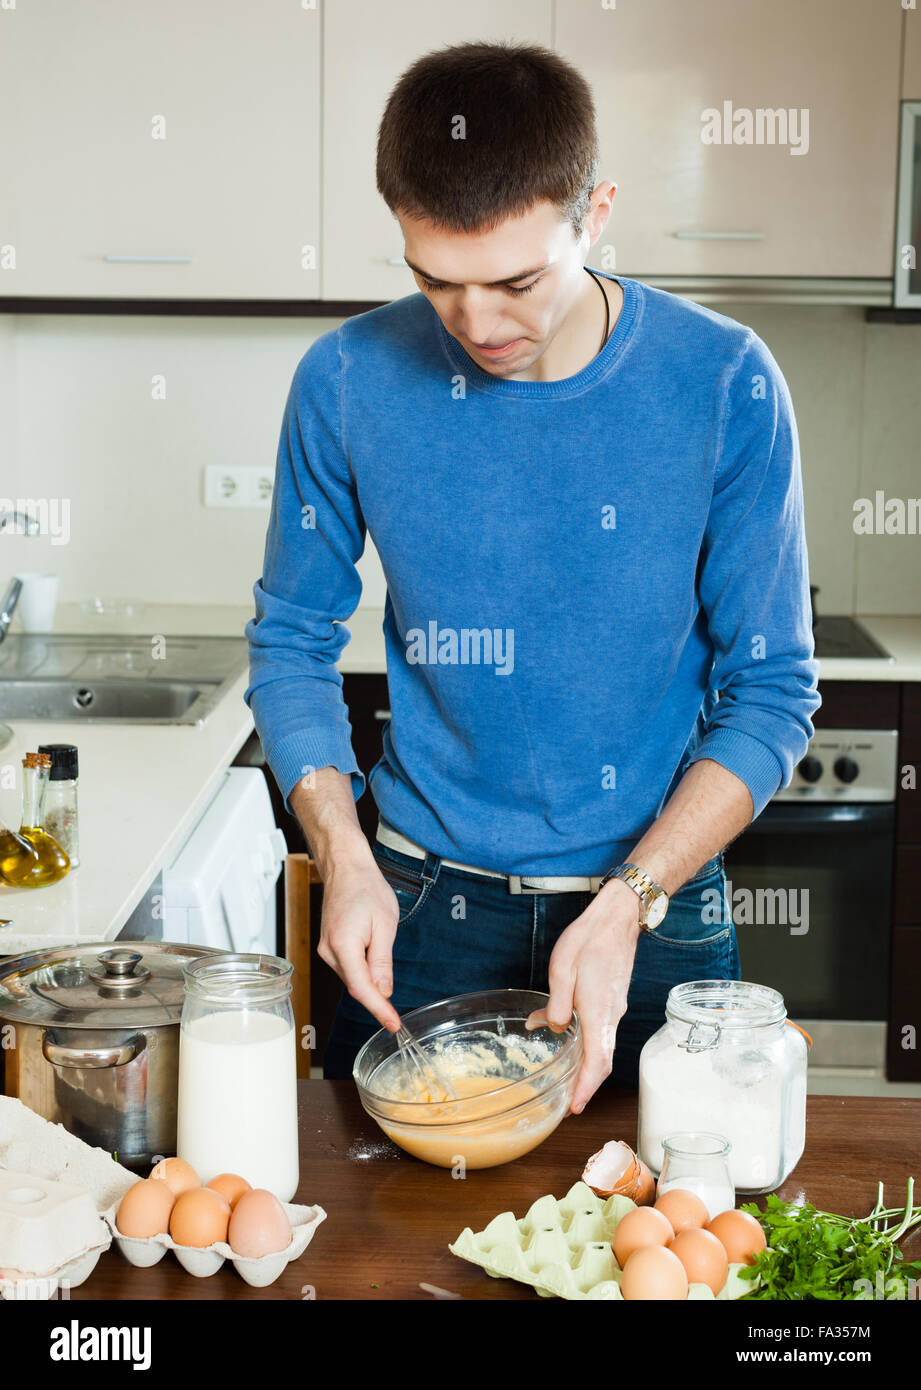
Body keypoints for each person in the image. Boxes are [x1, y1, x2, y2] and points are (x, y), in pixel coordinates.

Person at [244, 40, 820, 1112]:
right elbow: (290, 643)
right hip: (419, 905)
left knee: (664, 1239)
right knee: (383, 1244)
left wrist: (631, 900)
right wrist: (342, 853)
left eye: (516, 280)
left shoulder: (724, 379)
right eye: (436, 281)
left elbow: (774, 691)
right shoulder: (345, 381)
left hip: (654, 908)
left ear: (596, 211)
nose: (477, 325)